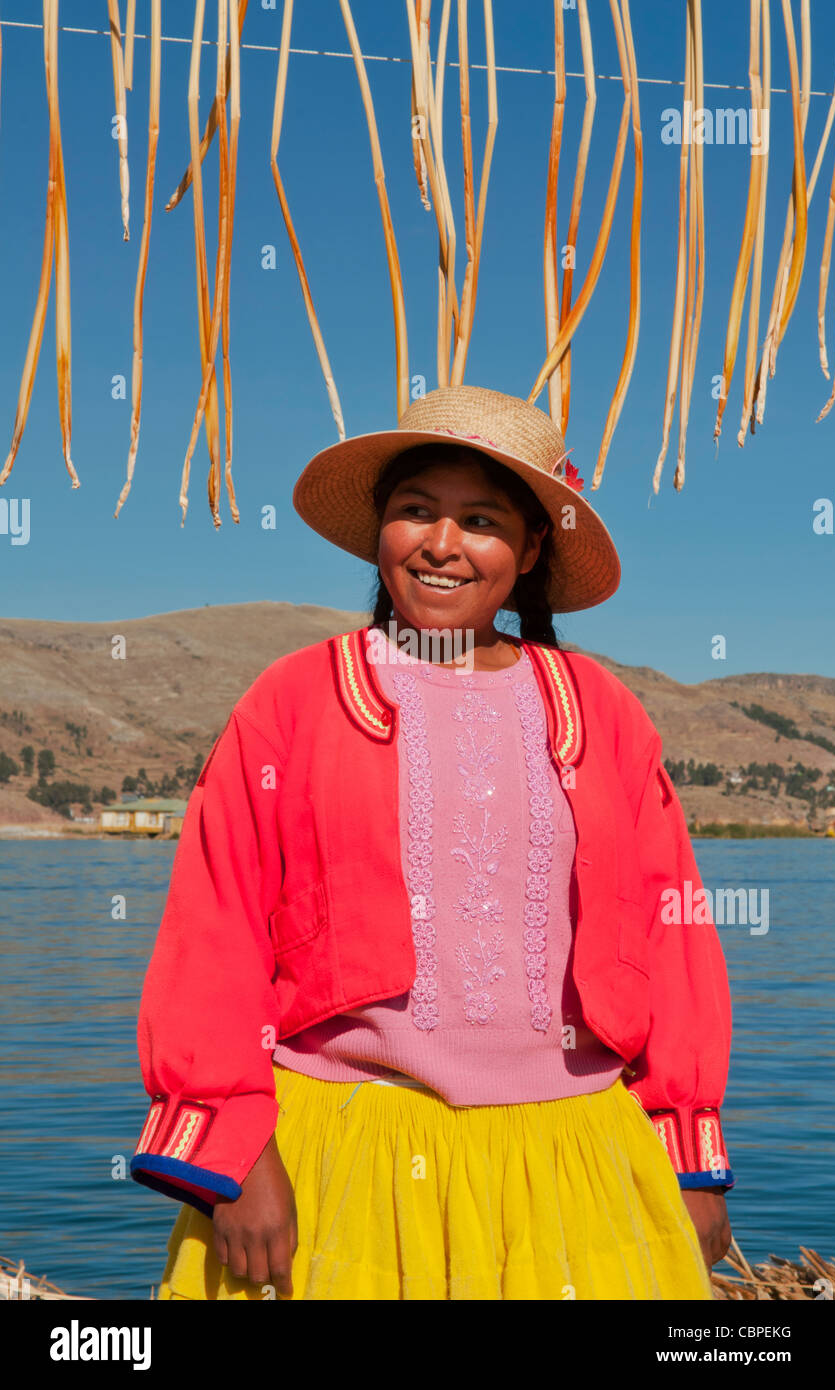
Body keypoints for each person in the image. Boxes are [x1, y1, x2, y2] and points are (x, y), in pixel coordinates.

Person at [130, 384, 734, 1301]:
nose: (442, 544)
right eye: (416, 511)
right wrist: (235, 1150)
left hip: (574, 1157)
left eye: (481, 520)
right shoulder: (294, 702)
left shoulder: (599, 712)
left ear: (530, 550)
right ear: (381, 532)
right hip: (344, 1153)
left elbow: (669, 932)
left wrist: (685, 1154)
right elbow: (214, 931)